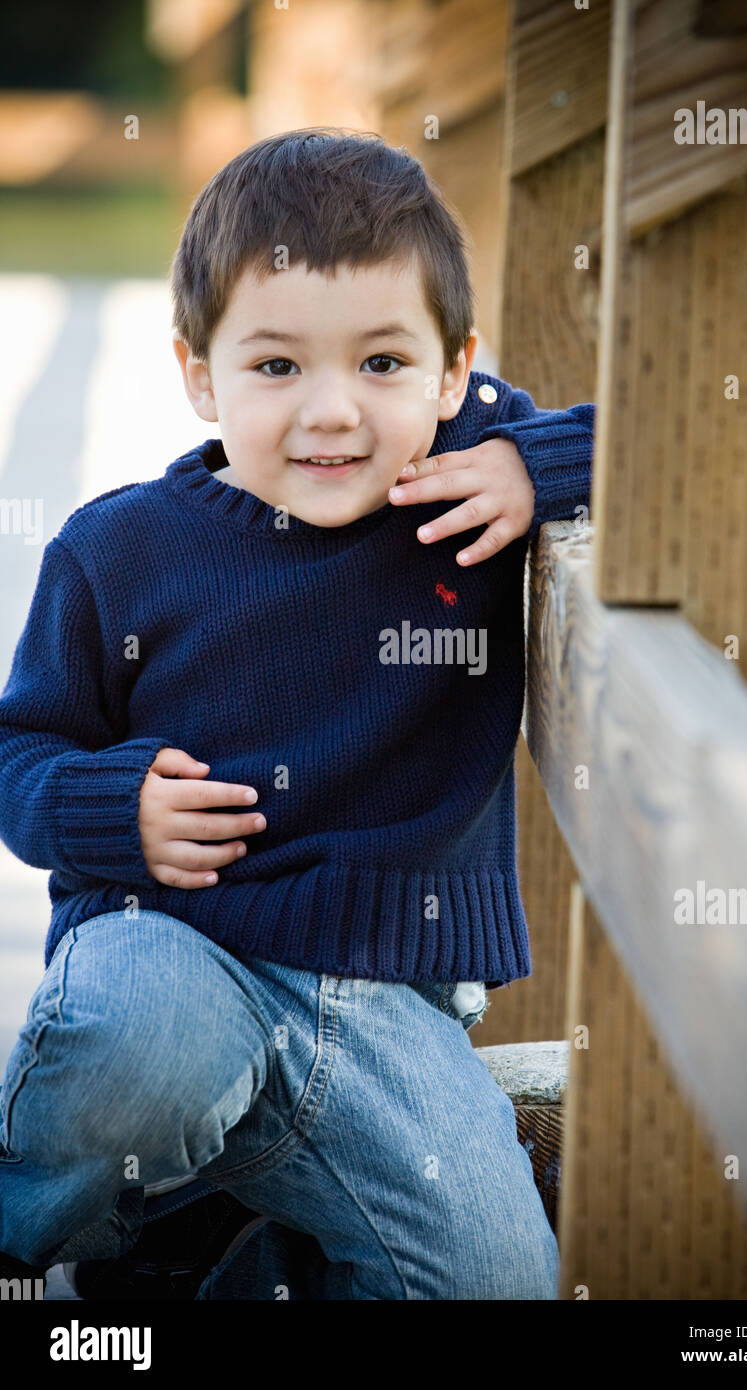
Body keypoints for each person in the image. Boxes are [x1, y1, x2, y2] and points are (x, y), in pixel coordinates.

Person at [0, 127, 593, 1300]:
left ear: (452, 368)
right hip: (175, 956)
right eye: (277, 367)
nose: (333, 414)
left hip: (387, 1011)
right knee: (140, 1046)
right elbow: (22, 750)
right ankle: (42, 1243)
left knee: (495, 1279)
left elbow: (660, 440)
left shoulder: (461, 490)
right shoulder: (117, 550)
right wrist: (112, 806)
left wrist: (543, 467)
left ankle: (237, 1245)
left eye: (382, 363)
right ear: (198, 373)